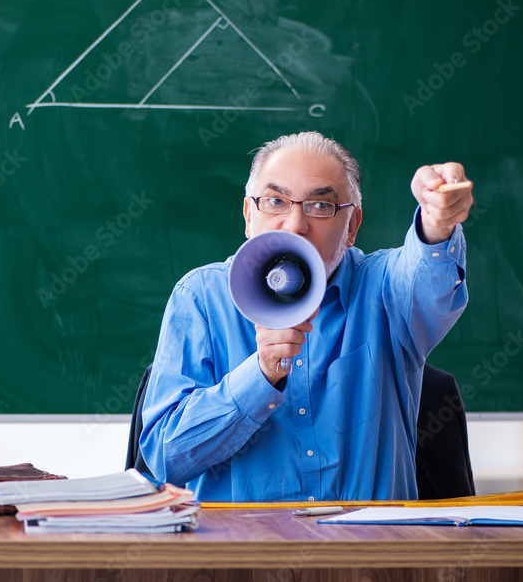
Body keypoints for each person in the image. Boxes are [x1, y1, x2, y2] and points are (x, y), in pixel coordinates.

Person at [139, 131, 472, 502]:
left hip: (368, 551)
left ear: (352, 226)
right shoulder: (200, 298)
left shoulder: (385, 290)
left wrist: (436, 224)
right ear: (249, 216)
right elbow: (166, 457)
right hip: (242, 555)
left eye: (320, 206)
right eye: (275, 201)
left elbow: (427, 277)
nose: (295, 224)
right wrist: (260, 375)